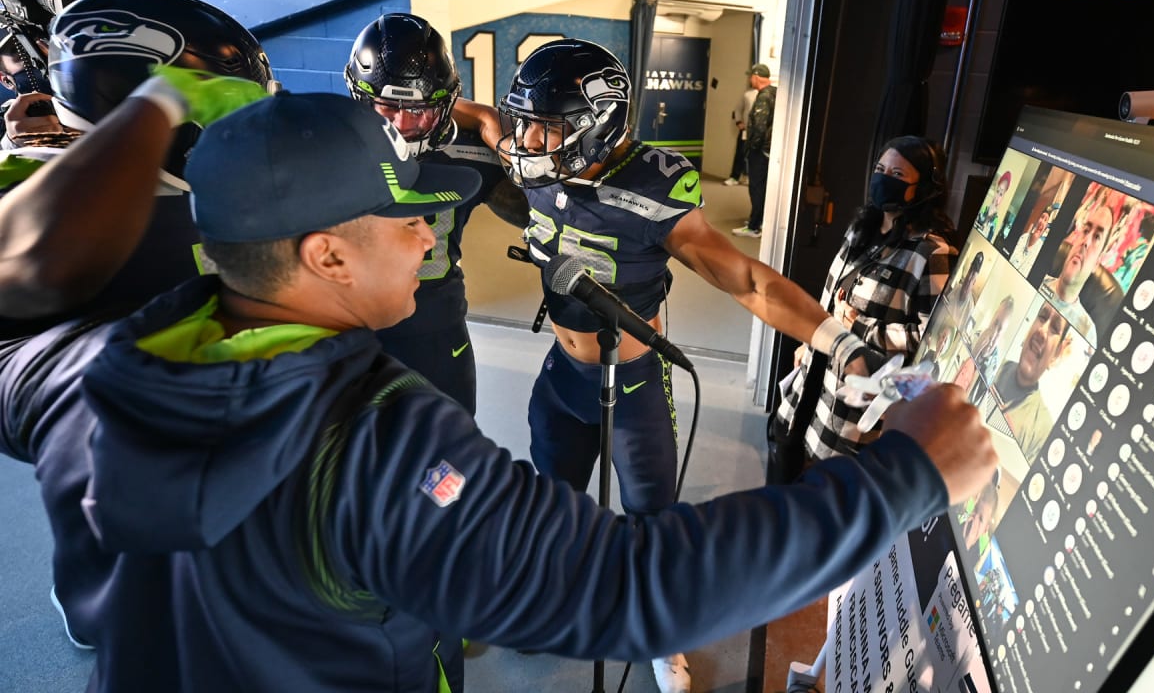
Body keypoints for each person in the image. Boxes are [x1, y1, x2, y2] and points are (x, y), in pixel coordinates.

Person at [0, 89, 999, 693]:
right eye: (401, 223)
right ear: (324, 255)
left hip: (627, 378)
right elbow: (627, 585)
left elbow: (22, 274)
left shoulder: (89, 366)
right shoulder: (382, 448)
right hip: (541, 407)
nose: (432, 234)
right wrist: (900, 476)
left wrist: (150, 106)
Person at [453, 38, 873, 692]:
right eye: (526, 122)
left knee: (652, 517)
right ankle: (545, 606)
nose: (527, 142)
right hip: (561, 376)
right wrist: (435, 107)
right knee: (553, 501)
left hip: (635, 382)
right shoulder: (532, 148)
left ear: (599, 125)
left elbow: (747, 281)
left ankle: (662, 635)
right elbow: (485, 121)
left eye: (547, 127)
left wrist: (838, 342)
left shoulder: (652, 183)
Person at [0, 0, 275, 670]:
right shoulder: (28, 171)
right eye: (211, 100)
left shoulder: (200, 188)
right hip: (67, 382)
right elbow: (41, 264)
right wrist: (161, 101)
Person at [344, 12, 528, 416]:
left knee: (452, 452)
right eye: (387, 109)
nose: (403, 126)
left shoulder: (472, 151)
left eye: (421, 112)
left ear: (443, 106)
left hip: (435, 327)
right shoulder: (331, 143)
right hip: (350, 328)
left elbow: (541, 215)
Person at [772, 136, 958, 466]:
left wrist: (860, 325)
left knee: (819, 499)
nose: (884, 178)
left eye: (898, 175)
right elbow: (830, 297)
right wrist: (807, 339)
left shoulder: (931, 254)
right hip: (807, 388)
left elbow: (932, 342)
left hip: (849, 418)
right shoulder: (860, 230)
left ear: (925, 187)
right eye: (880, 169)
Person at [990, 300, 1073, 461]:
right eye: (1042, 317)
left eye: (1055, 328)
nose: (1042, 331)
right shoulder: (994, 367)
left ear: (1056, 354)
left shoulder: (1043, 432)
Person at [1039, 190, 1119, 347]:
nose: (1086, 241)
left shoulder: (1087, 333)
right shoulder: (1037, 280)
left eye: (1097, 237)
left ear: (1097, 262)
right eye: (1086, 230)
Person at [732, 63, 775, 238]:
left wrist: (752, 149)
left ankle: (753, 227)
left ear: (757, 76)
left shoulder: (763, 97)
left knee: (756, 188)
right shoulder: (775, 92)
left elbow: (759, 127)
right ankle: (758, 220)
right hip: (769, 150)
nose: (750, 79)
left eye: (751, 76)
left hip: (760, 152)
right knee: (764, 188)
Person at [953, 294, 1015, 405]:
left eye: (1000, 329)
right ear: (992, 317)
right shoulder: (974, 335)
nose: (994, 332)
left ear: (1003, 334)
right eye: (995, 322)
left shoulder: (994, 368)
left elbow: (974, 401)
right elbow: (956, 365)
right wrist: (975, 353)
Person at [1009, 201, 1058, 274]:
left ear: (1046, 227)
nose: (1042, 222)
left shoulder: (1041, 251)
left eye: (1045, 220)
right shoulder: (1023, 237)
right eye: (1042, 217)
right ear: (1037, 220)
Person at [724, 80, 757, 186]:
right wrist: (739, 121)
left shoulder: (769, 95)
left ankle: (750, 177)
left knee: (756, 156)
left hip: (759, 132)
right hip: (746, 131)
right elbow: (738, 109)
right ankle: (734, 177)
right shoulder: (747, 95)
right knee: (740, 153)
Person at [974, 170, 1011, 241]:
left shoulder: (995, 222)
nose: (997, 196)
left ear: (1003, 197)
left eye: (1001, 194)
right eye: (997, 191)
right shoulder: (983, 209)